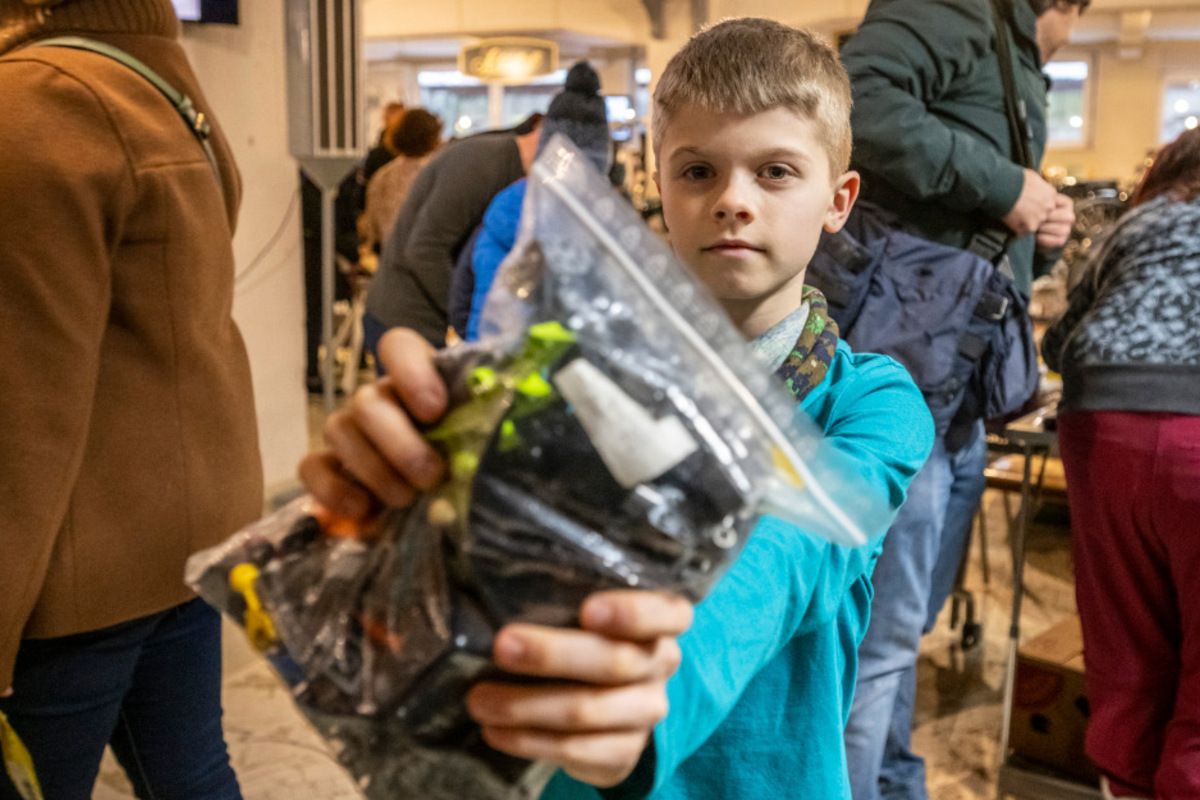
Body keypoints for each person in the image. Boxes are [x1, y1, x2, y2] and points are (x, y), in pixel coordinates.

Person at [300, 18, 934, 799]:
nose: (734, 201)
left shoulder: (873, 405)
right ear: (658, 185)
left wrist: (643, 704)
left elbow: (785, 556)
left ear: (838, 200)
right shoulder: (567, 373)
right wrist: (400, 487)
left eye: (774, 172)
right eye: (699, 171)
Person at [0, 0, 263, 797]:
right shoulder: (154, 78)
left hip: (72, 572)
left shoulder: (31, 101)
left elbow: (23, 409)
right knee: (191, 775)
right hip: (185, 536)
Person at [837, 3, 1086, 796]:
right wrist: (1007, 183)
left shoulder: (999, 46)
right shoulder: (956, 7)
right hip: (910, 373)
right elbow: (858, 99)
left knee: (900, 630)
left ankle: (891, 778)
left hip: (954, 381)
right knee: (876, 638)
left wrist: (1034, 226)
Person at [1041, 128, 1200, 800]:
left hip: (1103, 418)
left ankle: (1125, 785)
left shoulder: (1134, 226)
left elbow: (1058, 343)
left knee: (1124, 637)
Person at [363, 112, 543, 352]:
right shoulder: (480, 163)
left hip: (409, 313)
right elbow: (424, 250)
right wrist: (467, 315)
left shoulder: (383, 175)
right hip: (408, 322)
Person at [463, 60, 612, 341]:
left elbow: (461, 293)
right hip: (552, 372)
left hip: (487, 365)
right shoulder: (600, 221)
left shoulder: (505, 205)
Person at [362, 107, 443, 254]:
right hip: (428, 259)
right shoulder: (439, 175)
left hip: (390, 259)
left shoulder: (382, 176)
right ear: (433, 136)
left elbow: (371, 230)